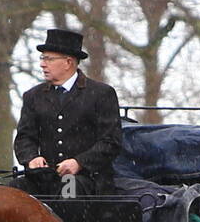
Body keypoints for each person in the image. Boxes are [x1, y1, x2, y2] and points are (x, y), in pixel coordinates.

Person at [13, 28, 122, 198]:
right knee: (13, 192)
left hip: (88, 179)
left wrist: (79, 162)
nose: (42, 64)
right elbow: (24, 138)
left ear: (68, 62)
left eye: (48, 59)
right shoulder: (33, 96)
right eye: (42, 58)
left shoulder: (101, 94)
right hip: (45, 178)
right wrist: (31, 158)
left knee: (68, 190)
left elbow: (111, 142)